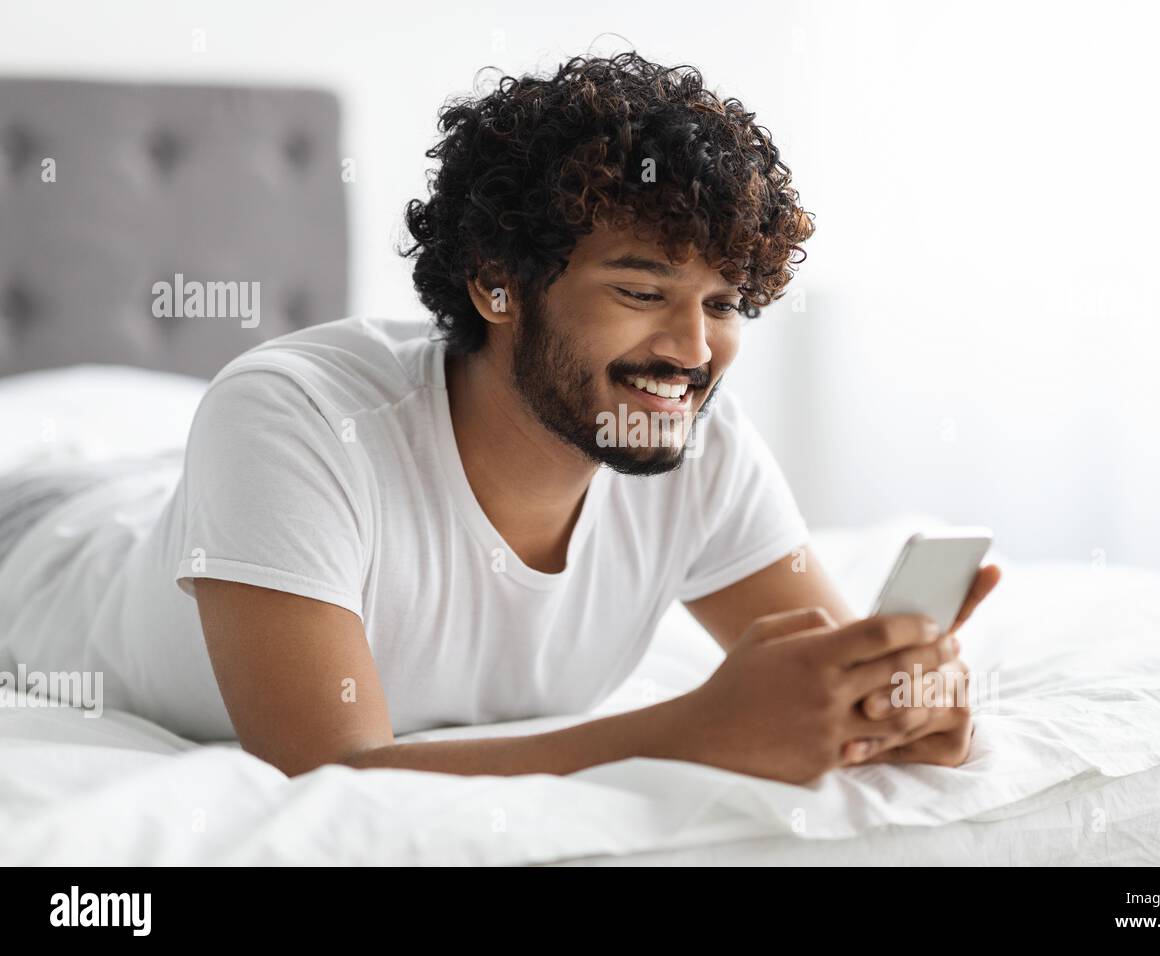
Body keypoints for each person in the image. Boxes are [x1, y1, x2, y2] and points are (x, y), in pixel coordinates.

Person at [2, 52, 998, 783]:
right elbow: (333, 776)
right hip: (42, 528)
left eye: (725, 303)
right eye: (641, 293)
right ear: (496, 284)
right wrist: (694, 732)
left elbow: (827, 679)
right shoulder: (294, 415)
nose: (694, 352)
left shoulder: (701, 445)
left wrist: (895, 702)